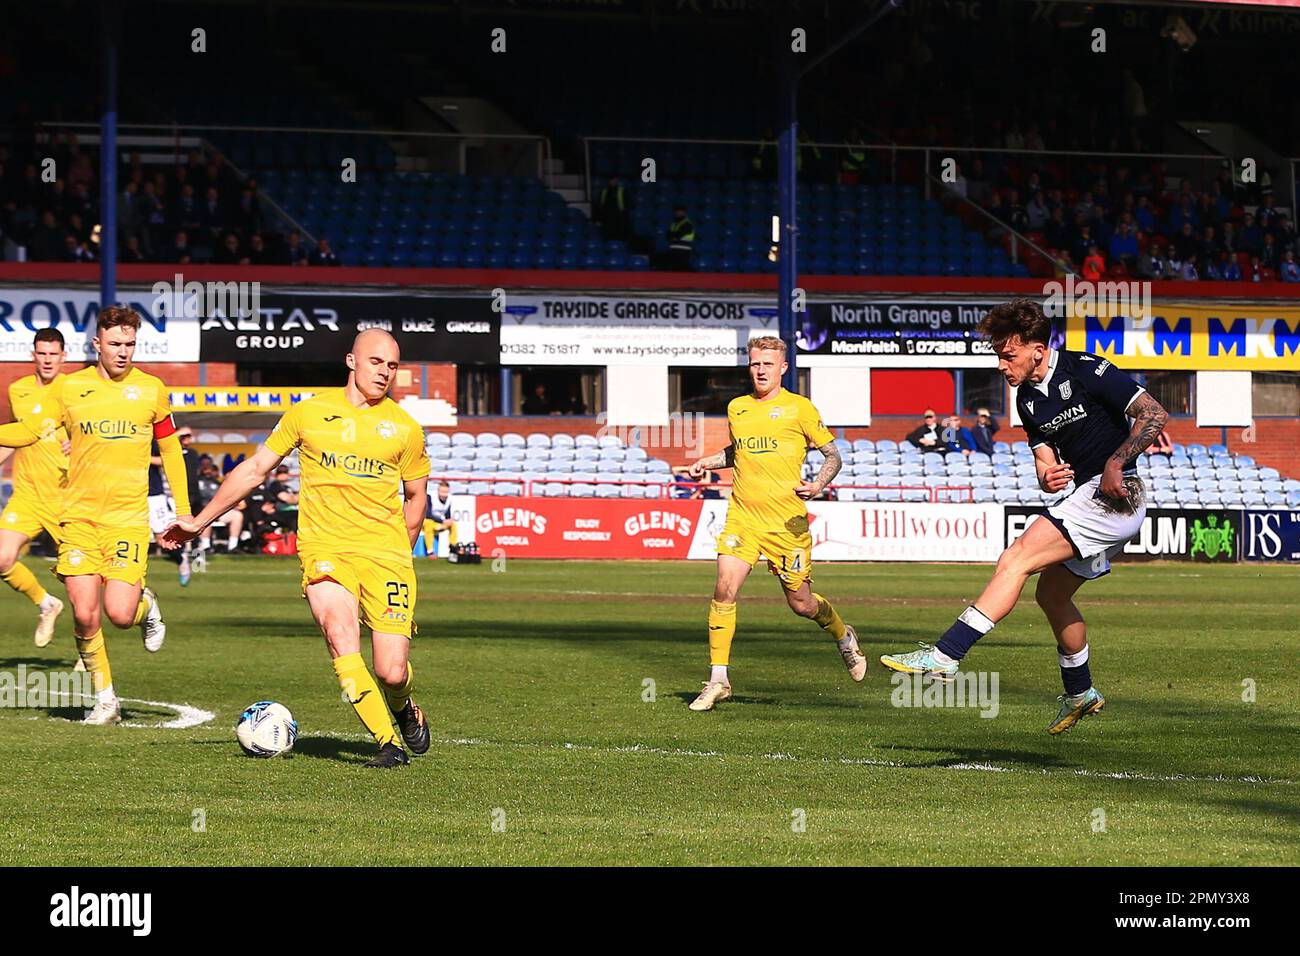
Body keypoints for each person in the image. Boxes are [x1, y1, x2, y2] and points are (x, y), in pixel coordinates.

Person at [880, 298, 1169, 734]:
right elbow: (1043, 462)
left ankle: (945, 656)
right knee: (1051, 596)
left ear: (1037, 348)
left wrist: (1116, 460)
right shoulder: (1027, 399)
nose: (1001, 365)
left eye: (1007, 354)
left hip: (1115, 492)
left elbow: (1154, 413)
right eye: (998, 355)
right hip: (1089, 494)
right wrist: (1048, 476)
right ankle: (1081, 692)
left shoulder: (1087, 369)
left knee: (1015, 559)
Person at [164, 329, 431, 768]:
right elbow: (253, 470)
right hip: (325, 548)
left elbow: (416, 498)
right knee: (338, 635)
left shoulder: (405, 428)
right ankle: (387, 744)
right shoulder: (307, 414)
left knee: (391, 671)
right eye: (376, 362)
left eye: (392, 366)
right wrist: (199, 520)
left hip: (387, 556)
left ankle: (404, 707)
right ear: (351, 361)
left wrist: (402, 552)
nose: (384, 372)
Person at [0, 307, 190, 725]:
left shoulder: (152, 390)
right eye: (116, 344)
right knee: (85, 613)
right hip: (78, 519)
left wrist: (185, 511)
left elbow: (172, 450)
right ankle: (106, 700)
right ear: (97, 345)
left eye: (130, 345)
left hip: (126, 519)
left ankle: (147, 607)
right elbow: (30, 431)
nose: (123, 352)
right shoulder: (70, 389)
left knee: (119, 614)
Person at [683, 336, 864, 712]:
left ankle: (843, 635)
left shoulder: (799, 408)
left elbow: (833, 455)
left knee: (801, 603)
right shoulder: (738, 408)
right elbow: (739, 451)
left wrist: (818, 483)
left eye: (768, 363)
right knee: (723, 589)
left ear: (783, 367)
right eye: (754, 363)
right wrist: (707, 461)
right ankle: (718, 679)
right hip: (743, 517)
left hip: (787, 524)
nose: (760, 370)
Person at [0, 329, 69, 647]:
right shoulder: (18, 390)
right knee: (1, 558)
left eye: (53, 354)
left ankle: (89, 647)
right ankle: (46, 604)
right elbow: (13, 436)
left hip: (65, 497)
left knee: (81, 581)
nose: (47, 360)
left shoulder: (75, 390)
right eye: (42, 353)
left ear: (63, 356)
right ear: (33, 355)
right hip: (26, 495)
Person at [422, 480, 457, 558]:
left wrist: (449, 521)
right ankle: (430, 552)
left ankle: (453, 548)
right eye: (442, 492)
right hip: (426, 522)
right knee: (428, 523)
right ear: (438, 491)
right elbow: (428, 514)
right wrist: (443, 521)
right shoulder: (430, 496)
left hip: (438, 523)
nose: (444, 494)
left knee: (453, 525)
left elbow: (447, 514)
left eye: (446, 492)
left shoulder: (449, 499)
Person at [662, 205, 695, 271]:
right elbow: (667, 236)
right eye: (676, 211)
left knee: (681, 270)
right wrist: (674, 235)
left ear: (684, 213)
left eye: (680, 211)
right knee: (673, 270)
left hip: (683, 251)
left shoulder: (687, 223)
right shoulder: (673, 224)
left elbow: (678, 234)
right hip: (673, 250)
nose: (678, 213)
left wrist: (673, 235)